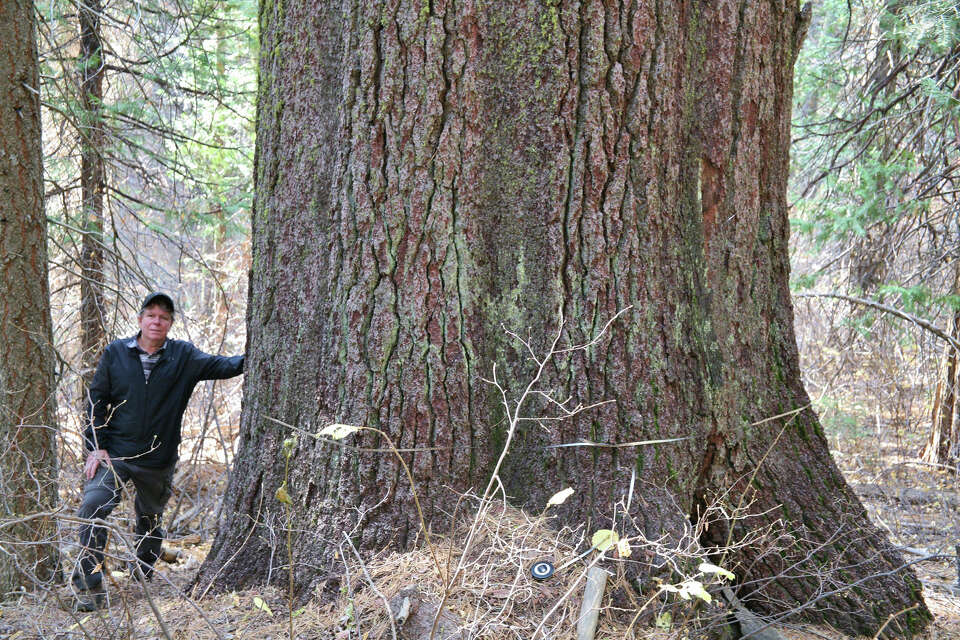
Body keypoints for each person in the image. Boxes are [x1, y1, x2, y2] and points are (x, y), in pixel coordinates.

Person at [72, 292, 244, 611]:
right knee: (93, 507)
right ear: (140, 320)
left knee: (150, 518)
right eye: (150, 315)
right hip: (116, 454)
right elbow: (96, 401)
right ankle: (88, 587)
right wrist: (95, 447)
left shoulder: (183, 356)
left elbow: (224, 366)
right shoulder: (116, 354)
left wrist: (256, 356)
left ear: (170, 324)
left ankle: (144, 569)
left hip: (157, 457)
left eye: (163, 317)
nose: (156, 321)